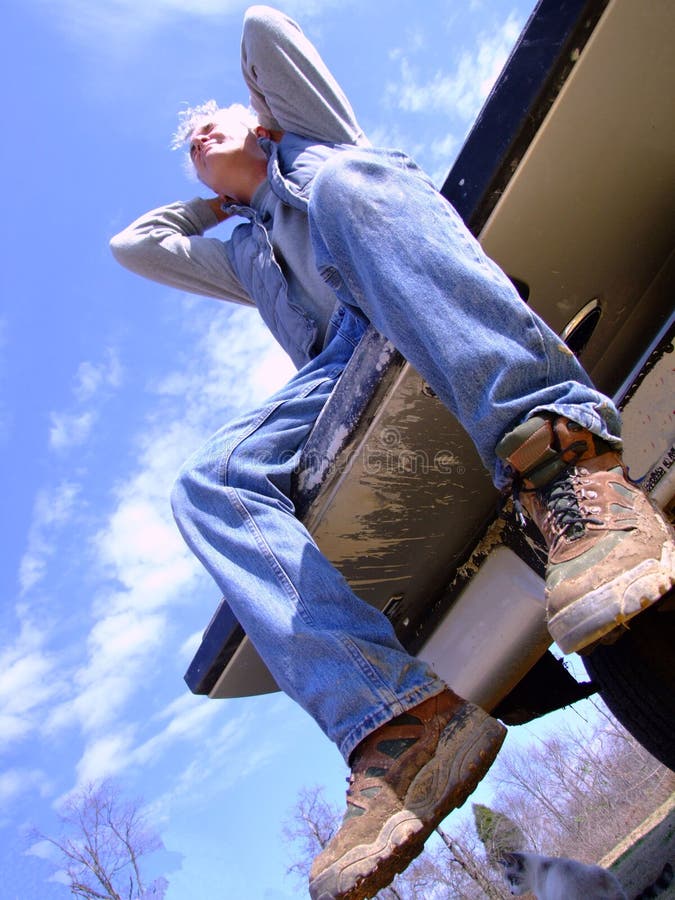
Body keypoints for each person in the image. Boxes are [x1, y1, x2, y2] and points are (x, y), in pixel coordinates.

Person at [110, 7, 675, 898]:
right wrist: (212, 203)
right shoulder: (245, 252)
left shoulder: (312, 141)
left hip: (396, 273)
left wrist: (269, 128)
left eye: (212, 122)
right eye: (190, 145)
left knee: (347, 182)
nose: (198, 138)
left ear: (261, 117)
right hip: (337, 366)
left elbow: (263, 28)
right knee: (205, 482)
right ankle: (396, 723)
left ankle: (568, 467)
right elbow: (137, 246)